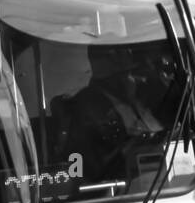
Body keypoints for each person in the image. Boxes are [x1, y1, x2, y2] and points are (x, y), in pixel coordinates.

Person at [66, 43, 175, 184]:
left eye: (132, 72)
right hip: (120, 191)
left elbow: (171, 121)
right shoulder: (89, 105)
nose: (133, 79)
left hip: (166, 180)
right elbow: (93, 167)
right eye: (126, 73)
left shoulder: (142, 95)